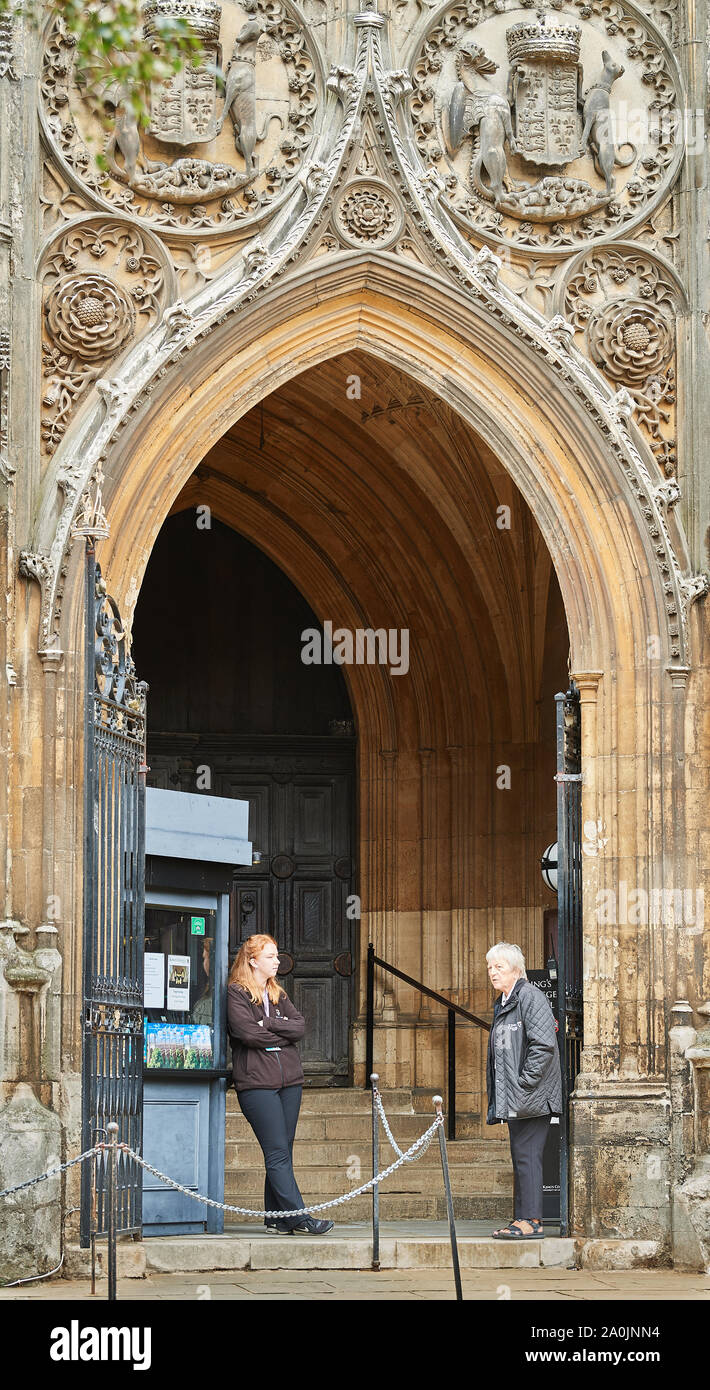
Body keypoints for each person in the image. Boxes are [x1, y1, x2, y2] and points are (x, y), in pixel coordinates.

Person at [226, 933, 334, 1235]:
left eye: (277, 956)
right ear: (252, 960)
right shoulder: (236, 993)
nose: (277, 961)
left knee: (282, 1151)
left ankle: (275, 1218)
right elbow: (247, 1034)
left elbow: (299, 1027)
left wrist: (270, 1024)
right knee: (276, 1152)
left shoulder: (277, 993)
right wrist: (280, 1035)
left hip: (290, 1081)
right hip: (257, 1083)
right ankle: (300, 1218)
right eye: (271, 956)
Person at [485, 941, 562, 1239]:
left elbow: (544, 1047)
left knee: (528, 1156)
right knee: (521, 1155)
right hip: (518, 1098)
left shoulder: (531, 997)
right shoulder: (506, 1002)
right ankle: (521, 1219)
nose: (492, 973)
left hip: (532, 1096)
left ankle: (532, 1221)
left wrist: (524, 1084)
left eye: (499, 967)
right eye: (490, 967)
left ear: (516, 969)